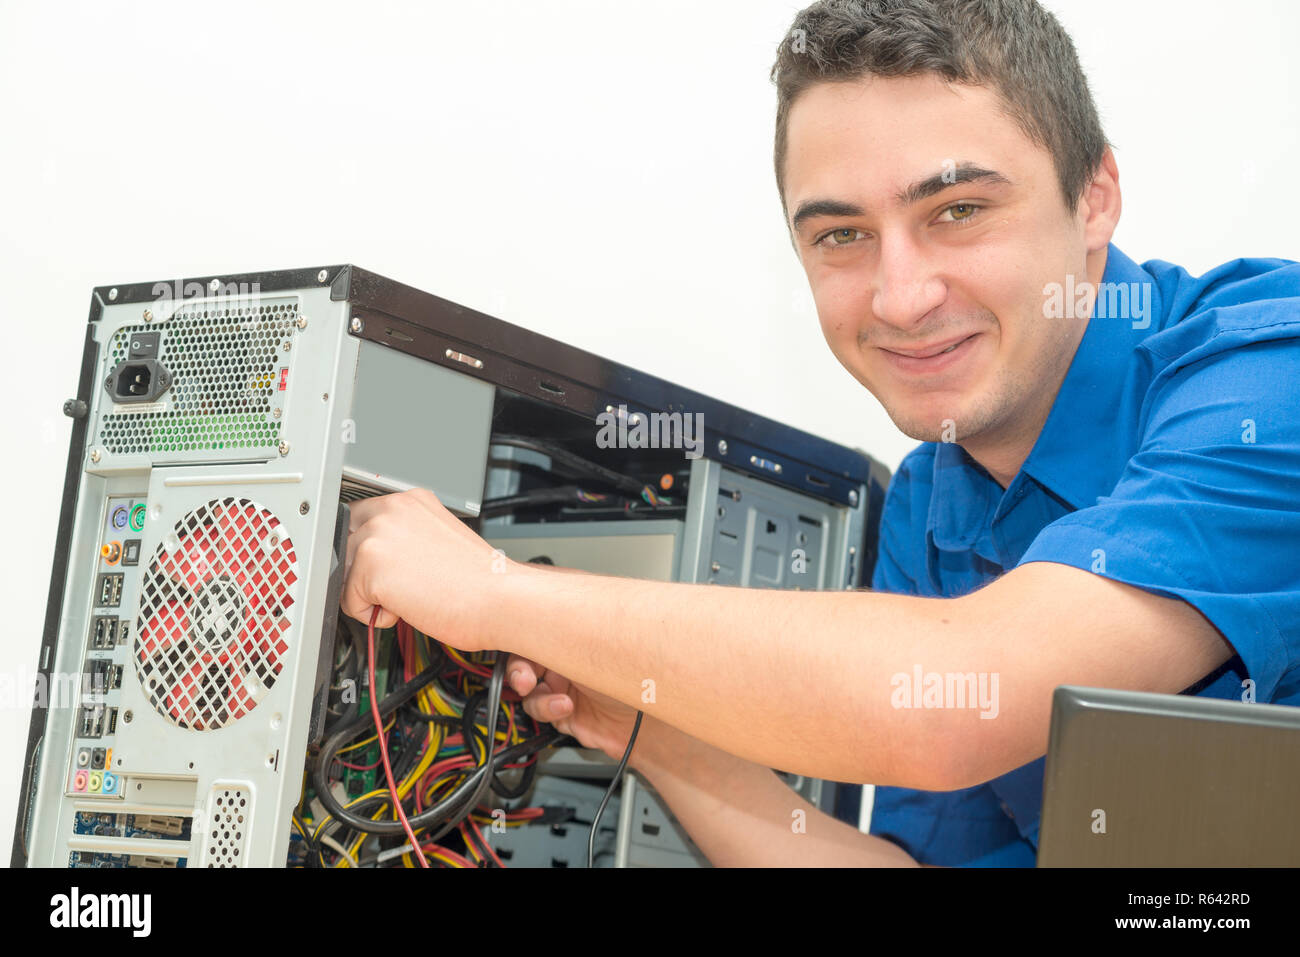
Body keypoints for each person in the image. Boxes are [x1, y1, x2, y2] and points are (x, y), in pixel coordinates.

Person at [339, 0, 1300, 866]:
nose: (901, 295)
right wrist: (650, 732)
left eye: (958, 210)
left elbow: (953, 696)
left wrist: (493, 594)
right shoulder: (933, 502)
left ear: (1094, 196)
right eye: (841, 235)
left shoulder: (1267, 374)